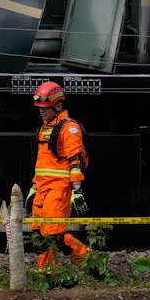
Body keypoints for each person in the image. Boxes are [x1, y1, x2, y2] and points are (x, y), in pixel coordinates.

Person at [25, 81, 90, 270]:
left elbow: (75, 160)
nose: (41, 111)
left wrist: (77, 190)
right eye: (39, 108)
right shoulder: (45, 128)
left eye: (45, 108)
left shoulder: (69, 128)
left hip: (59, 189)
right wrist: (34, 187)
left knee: (55, 236)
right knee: (38, 236)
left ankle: (90, 262)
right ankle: (47, 273)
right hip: (43, 190)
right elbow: (42, 164)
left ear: (58, 105)